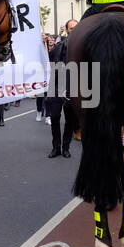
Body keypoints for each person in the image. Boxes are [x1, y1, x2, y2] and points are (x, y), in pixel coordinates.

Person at [46, 20, 78, 158]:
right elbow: (48, 58)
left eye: (76, 28)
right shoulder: (58, 45)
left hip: (73, 86)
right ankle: (56, 147)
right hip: (56, 85)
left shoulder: (82, 45)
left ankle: (66, 147)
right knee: (54, 117)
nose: (74, 30)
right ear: (66, 29)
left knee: (70, 120)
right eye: (71, 28)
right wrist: (44, 45)